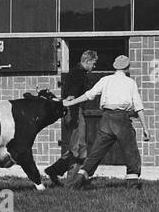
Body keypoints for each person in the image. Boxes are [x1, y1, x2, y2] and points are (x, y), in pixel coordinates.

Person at [61, 54, 151, 187]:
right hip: (122, 120)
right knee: (130, 151)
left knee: (96, 152)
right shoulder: (130, 83)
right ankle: (132, 184)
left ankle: (80, 179)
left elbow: (89, 95)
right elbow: (138, 107)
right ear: (127, 68)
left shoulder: (105, 80)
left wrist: (70, 103)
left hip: (106, 119)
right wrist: (145, 129)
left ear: (115, 67)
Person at [44, 49, 98, 183]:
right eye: (93, 63)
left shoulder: (77, 72)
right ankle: (72, 180)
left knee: (77, 145)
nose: (94, 66)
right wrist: (72, 113)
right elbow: (71, 93)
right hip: (74, 110)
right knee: (79, 146)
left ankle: (55, 170)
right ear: (87, 61)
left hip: (73, 110)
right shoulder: (79, 74)